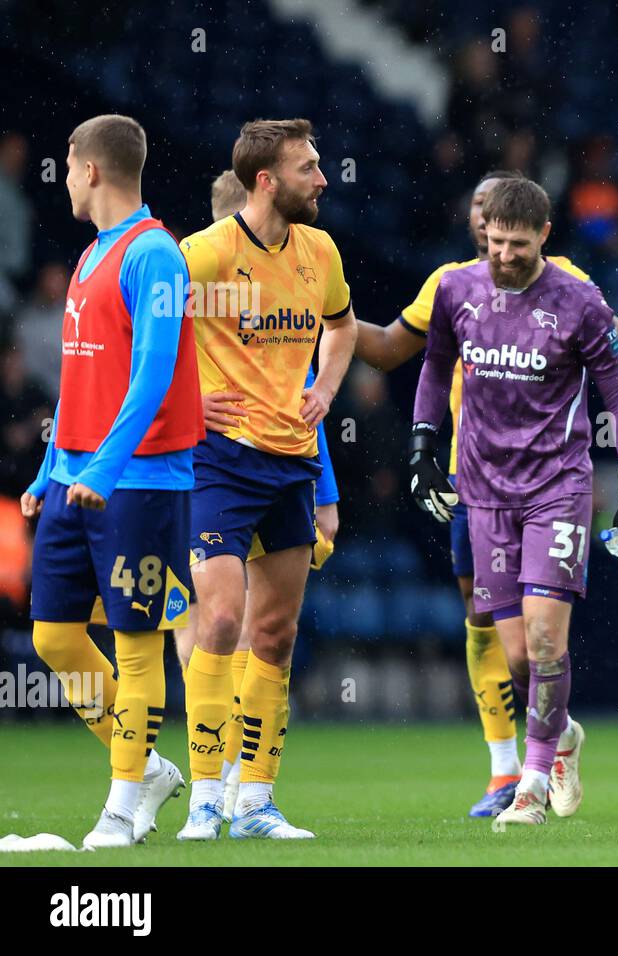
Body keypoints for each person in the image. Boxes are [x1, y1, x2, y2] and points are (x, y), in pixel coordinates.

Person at [352, 168, 618, 818]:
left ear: (542, 234)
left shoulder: (576, 294)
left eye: (519, 243)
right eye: (496, 240)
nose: (506, 254)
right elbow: (431, 365)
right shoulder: (454, 287)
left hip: (556, 489)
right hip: (483, 493)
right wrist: (421, 448)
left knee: (546, 642)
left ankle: (531, 786)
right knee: (516, 654)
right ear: (480, 230)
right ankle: (560, 731)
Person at [22, 114, 203, 848]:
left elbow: (155, 374)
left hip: (143, 482)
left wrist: (106, 465)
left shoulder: (155, 254)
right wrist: (49, 469)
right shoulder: (93, 254)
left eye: (67, 165)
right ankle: (149, 768)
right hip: (76, 477)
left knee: (136, 644)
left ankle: (123, 806)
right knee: (53, 639)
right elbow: (81, 376)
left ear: (90, 169)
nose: (63, 178)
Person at [177, 118, 357, 840]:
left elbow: (342, 328)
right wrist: (188, 404)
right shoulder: (206, 254)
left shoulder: (319, 251)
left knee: (275, 634)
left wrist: (328, 390)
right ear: (266, 181)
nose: (322, 179)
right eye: (308, 168)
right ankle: (203, 799)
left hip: (294, 462)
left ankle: (255, 800)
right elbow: (143, 335)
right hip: (219, 460)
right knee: (219, 620)